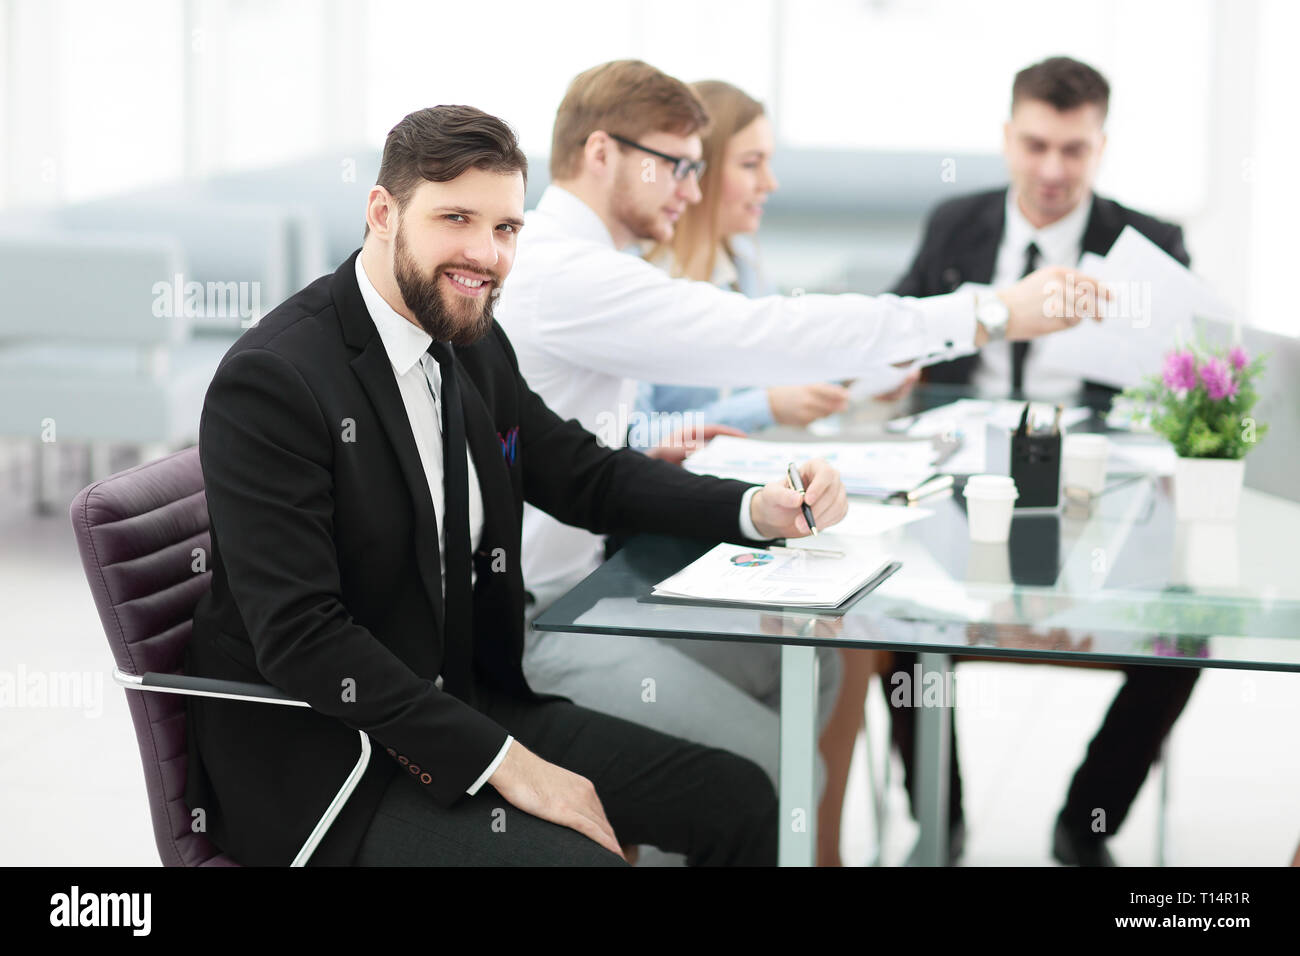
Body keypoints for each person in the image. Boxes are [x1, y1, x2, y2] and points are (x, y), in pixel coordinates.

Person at [182, 104, 851, 867]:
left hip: (468, 702)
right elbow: (304, 638)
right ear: (382, 213)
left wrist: (753, 507)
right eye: (456, 218)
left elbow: (577, 471)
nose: (485, 254)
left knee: (740, 800)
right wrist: (506, 763)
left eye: (505, 229)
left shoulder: (466, 335)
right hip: (333, 761)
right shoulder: (276, 380)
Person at [493, 59, 1107, 863]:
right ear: (602, 153)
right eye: (677, 164)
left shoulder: (587, 270)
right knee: (768, 766)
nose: (692, 184)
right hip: (545, 617)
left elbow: (561, 443)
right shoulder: (568, 272)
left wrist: (649, 445)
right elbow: (769, 336)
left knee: (811, 665)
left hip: (597, 582)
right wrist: (990, 312)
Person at [886, 55, 1201, 866]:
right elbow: (899, 340)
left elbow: (1184, 385)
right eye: (1035, 146)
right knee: (889, 619)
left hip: (1104, 494)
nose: (1052, 169)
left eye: (1074, 149)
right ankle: (941, 821)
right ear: (1006, 138)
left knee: (1187, 635)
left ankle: (1085, 822)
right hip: (964, 484)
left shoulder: (1150, 246)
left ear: (1101, 146)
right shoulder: (956, 223)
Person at [631, 79, 895, 866]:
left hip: (738, 512)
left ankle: (819, 849)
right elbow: (627, 433)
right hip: (661, 537)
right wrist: (763, 402)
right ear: (698, 171)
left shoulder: (742, 260)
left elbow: (785, 355)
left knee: (843, 638)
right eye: (753, 164)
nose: (770, 184)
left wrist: (867, 370)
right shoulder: (644, 276)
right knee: (827, 643)